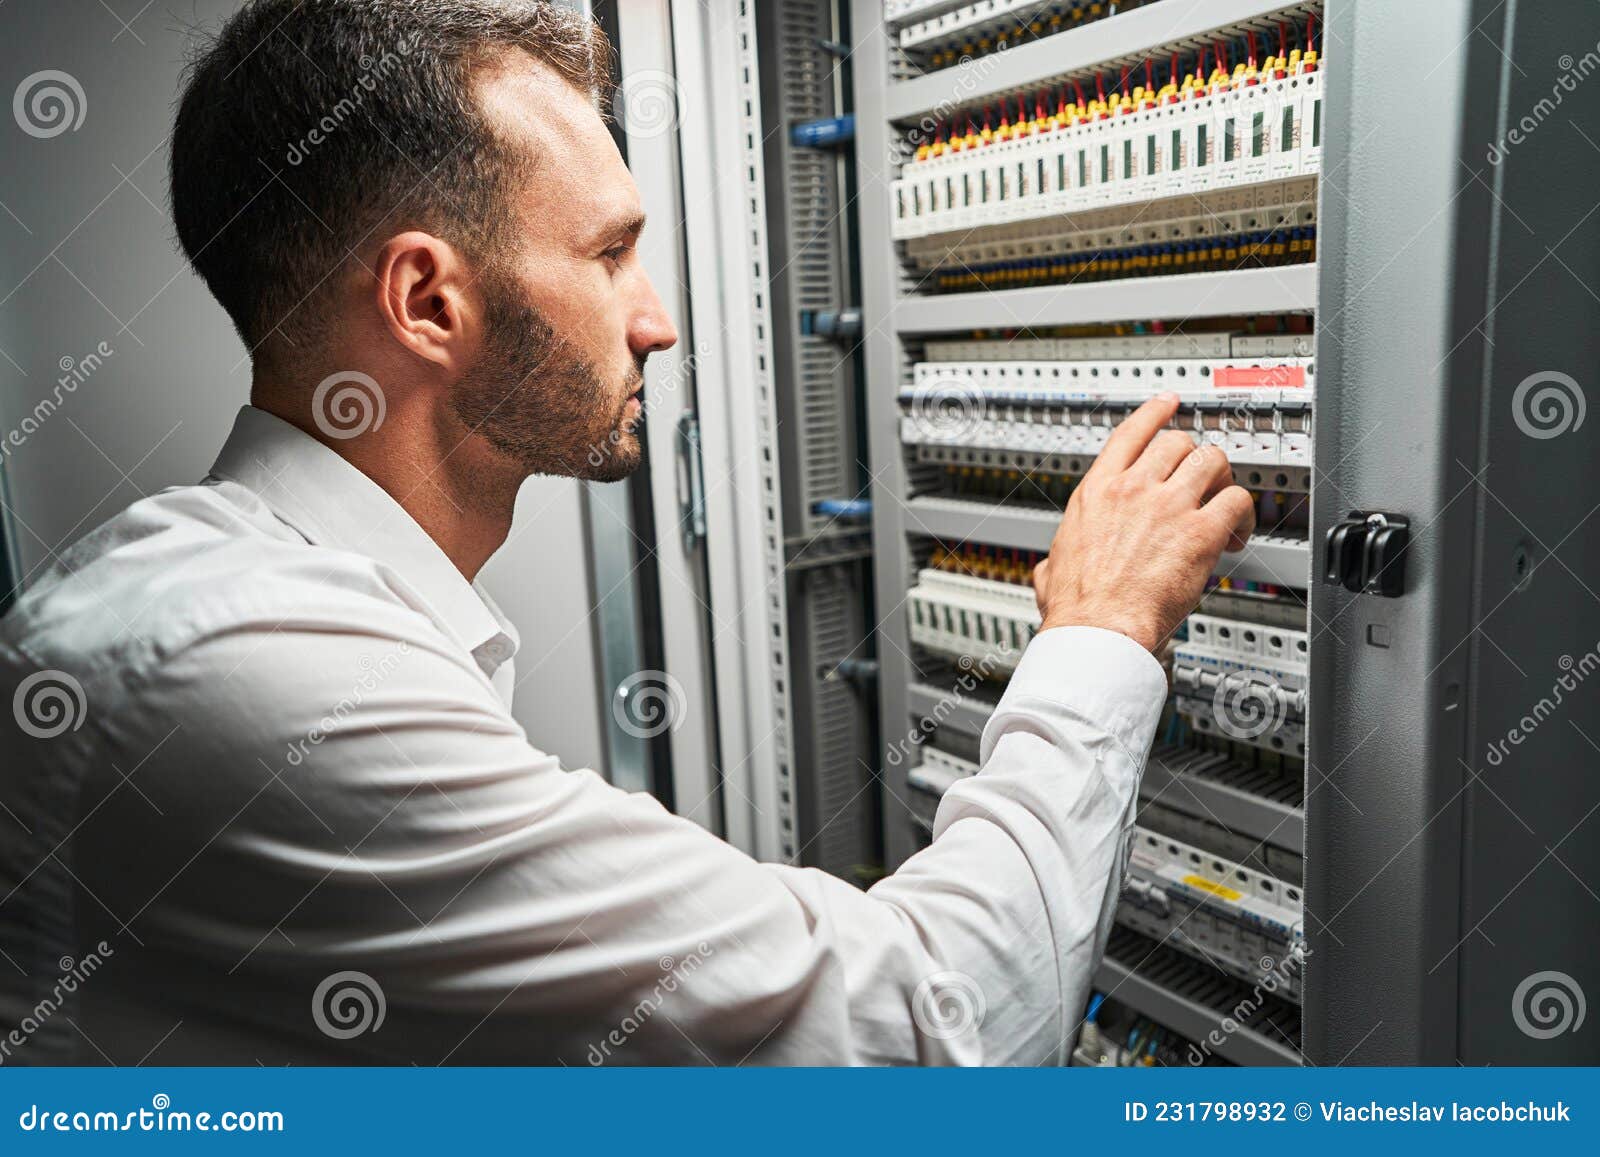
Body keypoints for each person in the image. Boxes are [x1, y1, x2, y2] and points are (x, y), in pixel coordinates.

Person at [0, 0, 1254, 1065]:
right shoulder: (253, 674)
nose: (655, 322)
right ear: (427, 300)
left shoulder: (226, 597)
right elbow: (936, 1041)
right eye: (609, 254)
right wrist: (1101, 627)